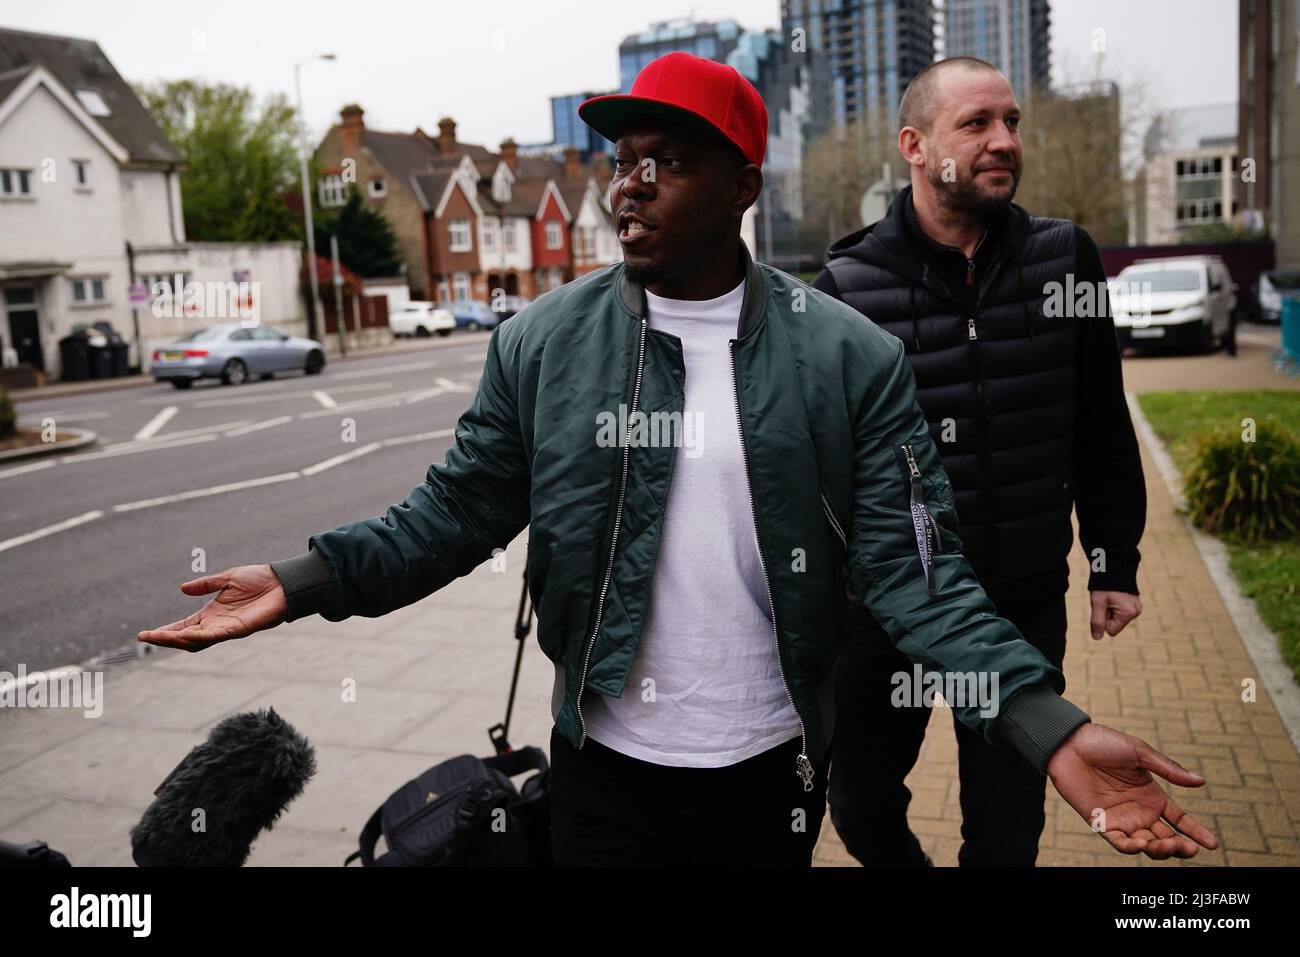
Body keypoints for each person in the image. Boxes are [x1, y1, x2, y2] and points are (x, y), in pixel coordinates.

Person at [139, 52, 1215, 867]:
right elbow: (456, 512)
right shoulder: (541, 344)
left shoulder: (849, 357)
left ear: (743, 185)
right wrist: (305, 579)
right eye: (621, 163)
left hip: (772, 764)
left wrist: (1047, 726)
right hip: (601, 764)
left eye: (669, 162)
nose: (630, 187)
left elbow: (915, 579)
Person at [813, 56, 1148, 867]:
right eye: (977, 124)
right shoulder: (845, 286)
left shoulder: (1064, 260)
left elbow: (1101, 426)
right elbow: (824, 476)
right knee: (858, 804)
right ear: (916, 145)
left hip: (1021, 602)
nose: (1004, 141)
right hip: (885, 619)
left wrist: (1114, 561)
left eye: (1012, 122)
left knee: (1006, 833)